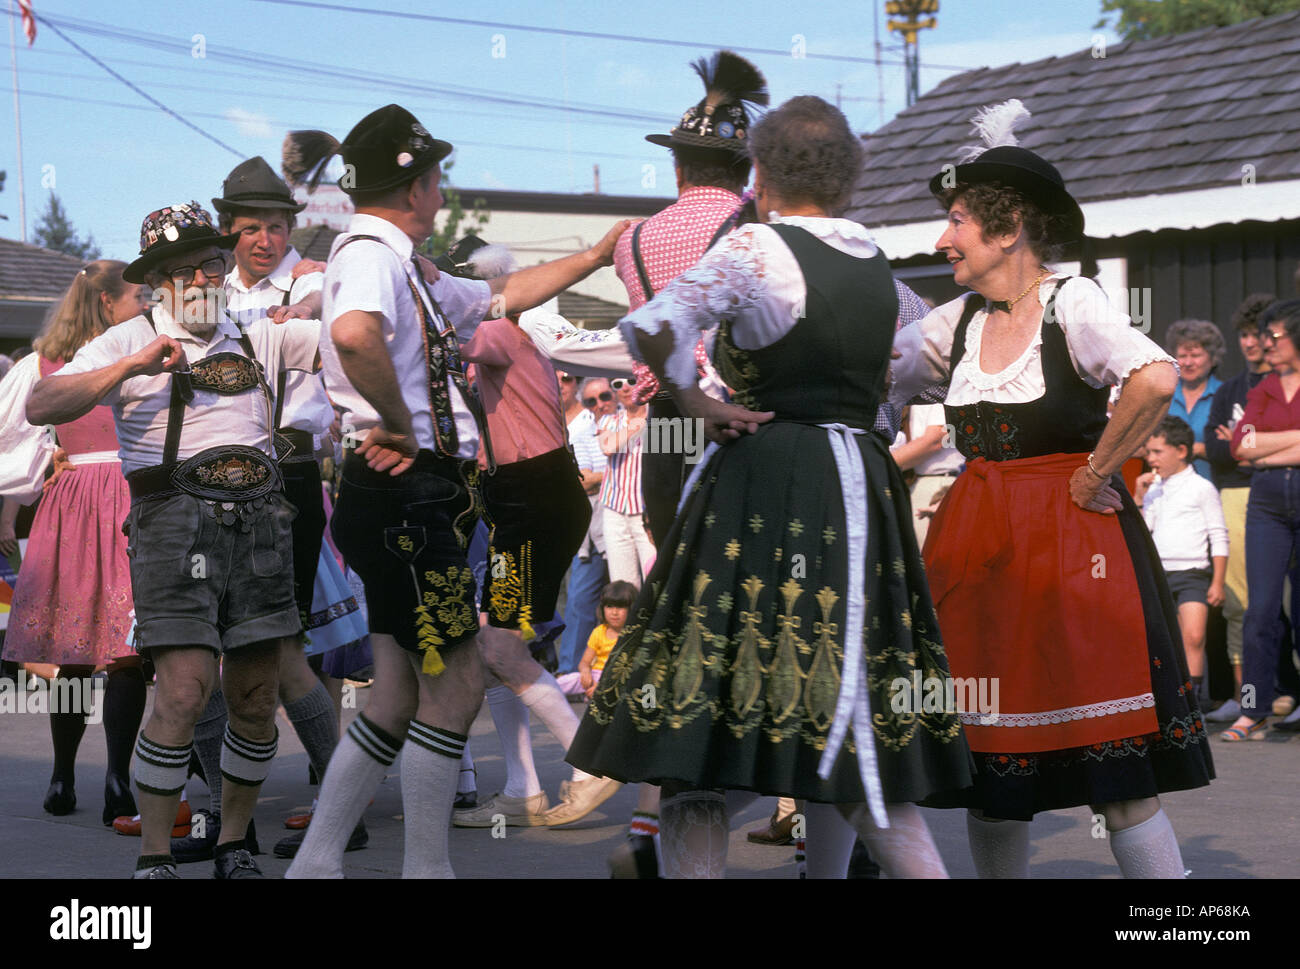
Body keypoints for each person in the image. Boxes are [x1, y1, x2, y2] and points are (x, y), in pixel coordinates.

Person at [568, 95, 974, 879]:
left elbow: (652, 324)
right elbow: (911, 360)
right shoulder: (874, 258)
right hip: (858, 485)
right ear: (849, 176)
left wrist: (693, 400)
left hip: (763, 482)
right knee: (845, 712)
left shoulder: (757, 248)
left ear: (762, 171)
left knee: (698, 726)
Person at [277, 104, 629, 878]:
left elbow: (504, 294)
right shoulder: (371, 249)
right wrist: (399, 424)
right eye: (437, 177)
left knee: (399, 690)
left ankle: (319, 860)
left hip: (418, 495)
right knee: (457, 675)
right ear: (414, 184)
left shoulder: (405, 262)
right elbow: (353, 335)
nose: (444, 192)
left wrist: (597, 253)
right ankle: (426, 868)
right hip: (410, 493)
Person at [890, 99, 1213, 878]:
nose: (943, 238)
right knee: (990, 770)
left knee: (1118, 773)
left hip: (1074, 541)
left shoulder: (1076, 302)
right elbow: (868, 368)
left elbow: (1154, 376)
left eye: (958, 219)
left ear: (1006, 231)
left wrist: (1099, 469)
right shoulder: (956, 324)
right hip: (977, 544)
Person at [27, 201, 318, 879]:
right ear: (158, 282)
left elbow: (352, 340)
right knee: (183, 690)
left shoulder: (259, 332)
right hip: (170, 525)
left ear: (225, 269)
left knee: (253, 695)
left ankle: (234, 843)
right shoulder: (124, 339)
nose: (199, 280)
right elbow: (42, 404)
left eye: (210, 265)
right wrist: (126, 371)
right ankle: (154, 855)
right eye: (181, 270)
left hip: (261, 528)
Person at [161, 156, 367, 863]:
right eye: (250, 227)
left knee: (280, 646)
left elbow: (352, 326)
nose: (264, 239)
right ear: (227, 231)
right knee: (205, 642)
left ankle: (336, 799)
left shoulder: (311, 282)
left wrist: (313, 307)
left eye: (277, 226)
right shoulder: (207, 290)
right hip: (199, 487)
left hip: (288, 475)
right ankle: (227, 821)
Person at [0, 261, 147, 825]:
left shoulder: (43, 363)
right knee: (122, 653)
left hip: (75, 502)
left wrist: (47, 459)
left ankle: (64, 775)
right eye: (136, 294)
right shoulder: (130, 353)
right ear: (108, 302)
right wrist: (46, 456)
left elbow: (11, 437)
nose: (144, 302)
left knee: (77, 653)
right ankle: (114, 779)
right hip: (124, 496)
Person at [616, 49, 767, 546]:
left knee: (674, 555)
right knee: (740, 560)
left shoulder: (632, 241)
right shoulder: (760, 229)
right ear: (747, 170)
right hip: (739, 414)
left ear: (678, 168)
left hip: (667, 417)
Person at [1228, 299, 1300, 739]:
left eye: (1275, 335)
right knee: (1261, 611)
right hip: (1267, 506)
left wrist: (1268, 450)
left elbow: (1256, 445)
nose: (1265, 343)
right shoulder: (1264, 388)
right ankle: (1251, 708)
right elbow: (1240, 444)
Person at [1203, 294, 1276, 722]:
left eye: (1259, 334)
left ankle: (1282, 690)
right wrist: (1255, 445)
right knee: (1240, 603)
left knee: (1281, 602)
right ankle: (1244, 696)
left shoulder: (1289, 385)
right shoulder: (1230, 389)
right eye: (1245, 334)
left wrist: (1245, 443)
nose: (1251, 343)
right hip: (1233, 494)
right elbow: (1216, 448)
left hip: (1278, 492)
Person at [1134, 416, 1228, 708]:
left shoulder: (1202, 488)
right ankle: (1166, 703)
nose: (1151, 459)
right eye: (1148, 452)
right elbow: (1143, 534)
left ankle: (1193, 704)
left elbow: (1219, 534)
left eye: (1158, 452)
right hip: (1159, 574)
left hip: (1193, 573)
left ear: (1181, 451)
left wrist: (1218, 580)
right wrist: (1139, 497)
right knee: (1162, 641)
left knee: (1194, 635)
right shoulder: (1154, 490)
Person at [557, 376, 610, 677]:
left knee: (635, 595)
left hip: (640, 522)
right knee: (579, 599)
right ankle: (570, 672)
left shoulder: (650, 421)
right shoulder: (586, 428)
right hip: (592, 530)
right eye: (592, 400)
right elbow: (583, 479)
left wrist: (603, 471)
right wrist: (619, 465)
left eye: (606, 395)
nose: (600, 404)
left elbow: (688, 455)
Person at [597, 377, 655, 584]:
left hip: (647, 512)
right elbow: (609, 447)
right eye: (617, 384)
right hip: (615, 511)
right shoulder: (608, 421)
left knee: (654, 578)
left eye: (631, 380)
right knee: (622, 583)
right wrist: (640, 421)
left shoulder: (660, 421)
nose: (625, 388)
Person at [1165, 319, 1226, 481]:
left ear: (1212, 358)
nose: (1188, 362)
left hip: (1215, 489)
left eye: (1196, 355)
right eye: (1182, 356)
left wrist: (1200, 449)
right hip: (1168, 491)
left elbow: (1242, 447)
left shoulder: (1226, 395)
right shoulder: (1164, 395)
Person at [556, 580, 636, 698]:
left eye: (620, 607)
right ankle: (543, 691)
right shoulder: (599, 631)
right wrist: (585, 672)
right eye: (609, 606)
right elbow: (585, 662)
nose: (614, 612)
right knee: (568, 680)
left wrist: (600, 686)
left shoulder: (632, 633)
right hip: (596, 675)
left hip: (618, 678)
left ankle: (598, 694)